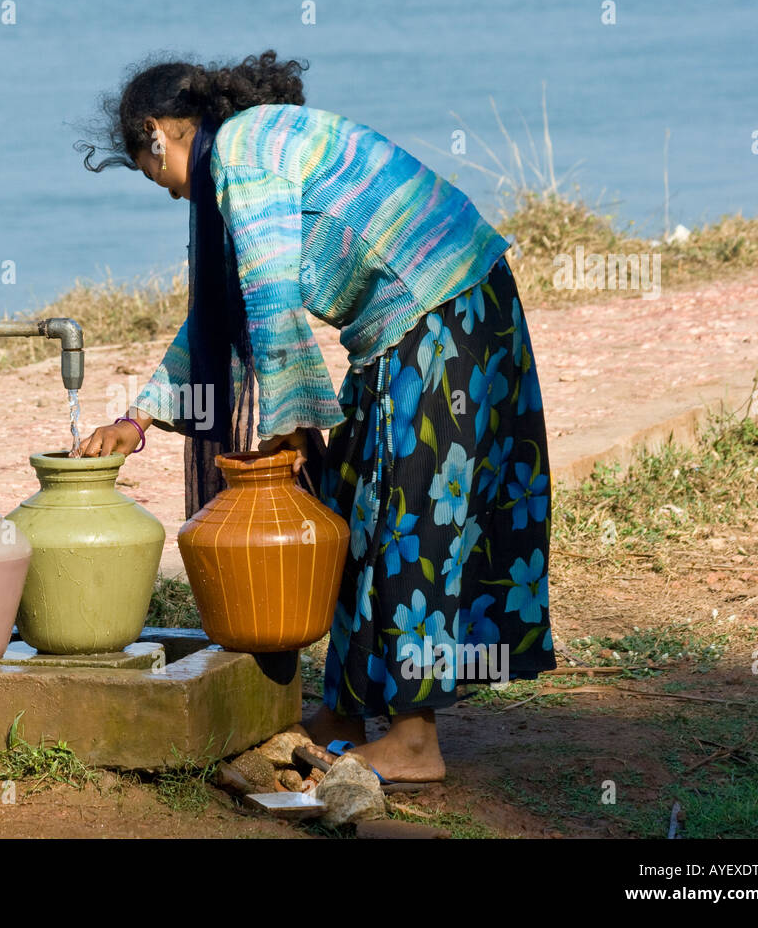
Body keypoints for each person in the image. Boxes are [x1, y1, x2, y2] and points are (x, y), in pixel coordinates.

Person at [73, 50, 555, 783]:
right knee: (361, 509)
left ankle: (415, 742)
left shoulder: (239, 150)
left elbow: (270, 290)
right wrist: (138, 420)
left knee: (409, 520)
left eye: (155, 175)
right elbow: (223, 314)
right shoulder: (257, 142)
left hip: (442, 314)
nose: (172, 196)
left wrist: (294, 419)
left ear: (159, 132)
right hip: (429, 314)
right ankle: (346, 712)